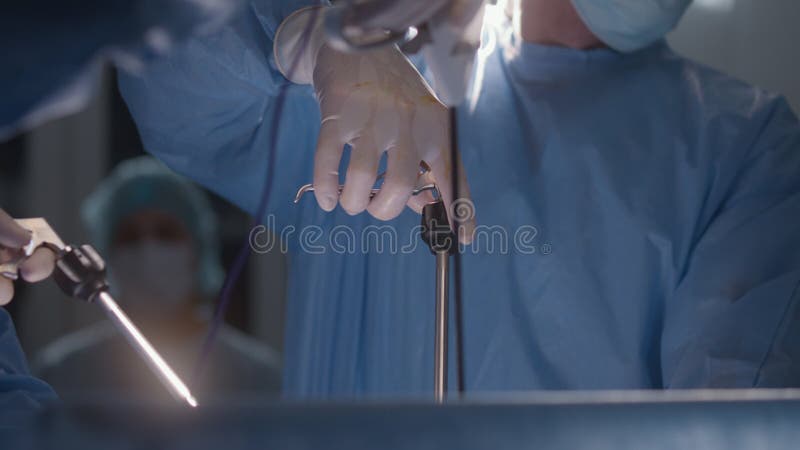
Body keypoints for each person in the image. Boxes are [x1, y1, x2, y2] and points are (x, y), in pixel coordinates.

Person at [117, 0, 800, 398]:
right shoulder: (378, 84)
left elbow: (732, 420)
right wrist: (301, 32)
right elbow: (168, 87)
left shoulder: (745, 145)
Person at [32, 157, 281, 401]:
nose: (148, 250)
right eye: (130, 237)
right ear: (106, 256)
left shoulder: (259, 379)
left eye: (165, 233)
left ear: (198, 250)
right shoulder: (62, 375)